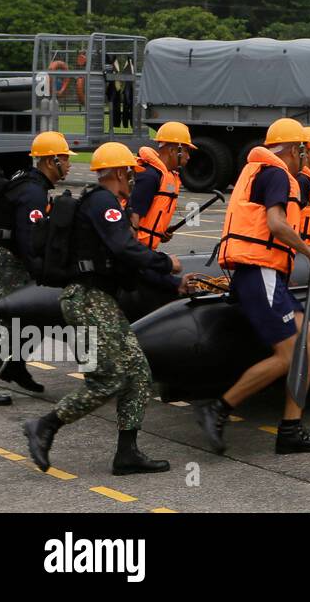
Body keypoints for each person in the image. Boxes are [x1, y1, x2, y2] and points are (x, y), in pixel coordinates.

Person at [22, 143, 191, 475]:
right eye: (130, 172)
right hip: (87, 301)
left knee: (138, 372)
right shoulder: (103, 202)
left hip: (101, 301)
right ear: (117, 172)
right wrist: (165, 262)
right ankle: (44, 425)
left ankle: (127, 454)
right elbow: (125, 248)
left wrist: (174, 285)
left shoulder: (109, 204)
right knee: (107, 379)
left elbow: (124, 261)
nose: (132, 178)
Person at [194, 118, 310, 456]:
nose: (305, 157)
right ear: (295, 150)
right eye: (303, 150)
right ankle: (219, 408)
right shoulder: (276, 174)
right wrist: (309, 251)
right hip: (260, 273)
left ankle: (290, 430)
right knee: (288, 354)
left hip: (261, 274)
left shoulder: (259, 171)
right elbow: (276, 223)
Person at [0, 131, 74, 402]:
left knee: (33, 315)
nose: (70, 164)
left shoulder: (28, 182)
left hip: (8, 257)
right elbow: (29, 241)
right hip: (5, 261)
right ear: (51, 162)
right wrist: (43, 274)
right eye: (65, 158)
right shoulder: (33, 193)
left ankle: (15, 366)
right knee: (6, 320)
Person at [128, 122, 196, 249]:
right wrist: (136, 255)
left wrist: (159, 232)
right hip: (137, 251)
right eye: (186, 151)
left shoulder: (165, 176)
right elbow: (133, 217)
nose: (188, 156)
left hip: (144, 250)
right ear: (172, 150)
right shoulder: (149, 177)